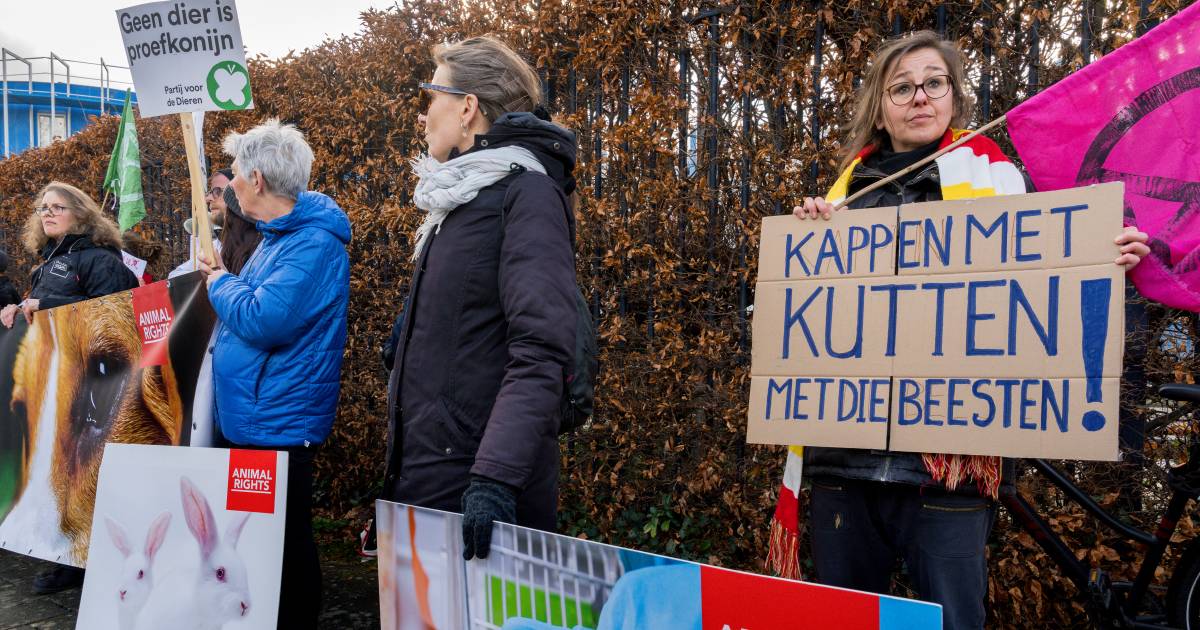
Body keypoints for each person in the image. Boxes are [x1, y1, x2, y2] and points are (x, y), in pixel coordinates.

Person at [788, 31, 1151, 630]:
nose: (919, 98)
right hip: (844, 467)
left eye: (934, 83)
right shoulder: (841, 202)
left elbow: (1057, 291)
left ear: (955, 97)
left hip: (950, 469)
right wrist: (804, 239)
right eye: (900, 88)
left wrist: (1107, 262)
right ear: (880, 107)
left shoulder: (1007, 192)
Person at [382, 36, 577, 561]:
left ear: (468, 108)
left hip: (474, 489)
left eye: (432, 95)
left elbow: (542, 349)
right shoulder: (459, 200)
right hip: (431, 474)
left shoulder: (528, 196)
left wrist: (494, 479)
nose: (424, 113)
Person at [196, 119, 350, 629]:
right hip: (257, 419)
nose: (231, 182)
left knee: (283, 542)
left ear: (256, 179)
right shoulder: (278, 236)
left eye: (236, 172)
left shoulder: (312, 243)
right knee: (261, 537)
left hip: (278, 425)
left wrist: (219, 282)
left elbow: (265, 317)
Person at [1, 181, 138, 593]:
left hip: (93, 387)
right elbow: (43, 314)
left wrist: (46, 307)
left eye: (58, 207)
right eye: (43, 207)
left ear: (81, 213)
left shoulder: (100, 260)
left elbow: (116, 316)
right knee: (58, 475)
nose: (48, 213)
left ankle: (83, 564)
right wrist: (16, 308)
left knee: (84, 476)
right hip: (54, 383)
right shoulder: (45, 263)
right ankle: (66, 555)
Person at [168, 168, 229, 278]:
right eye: (210, 192)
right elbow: (175, 277)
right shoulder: (217, 244)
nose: (208, 199)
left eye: (218, 191)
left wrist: (223, 281)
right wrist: (200, 277)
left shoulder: (258, 244)